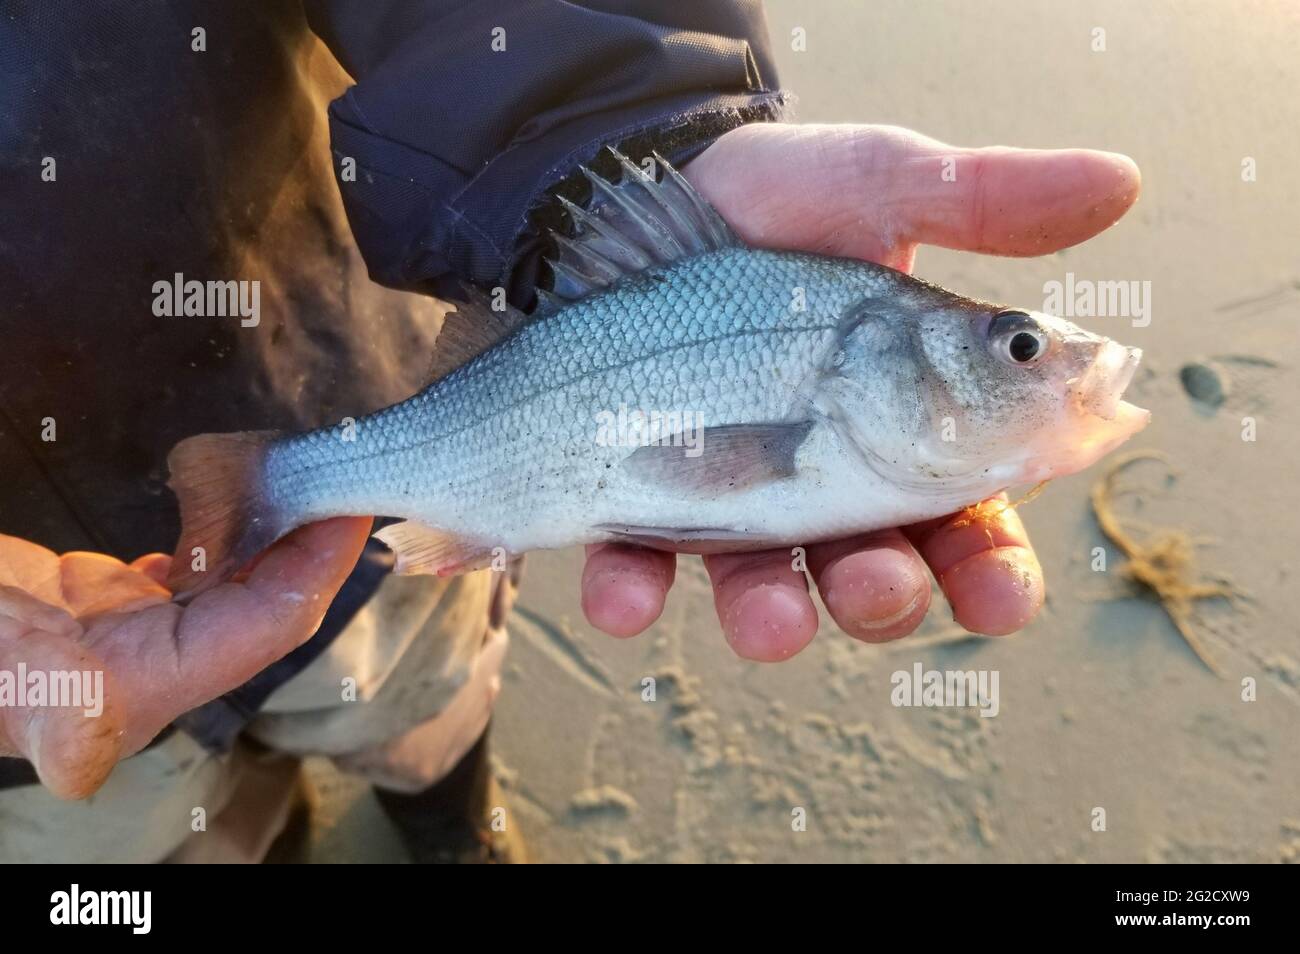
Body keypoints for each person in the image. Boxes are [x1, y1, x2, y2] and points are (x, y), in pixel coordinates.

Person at [0, 1, 1139, 862]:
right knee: (143, 815)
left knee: (417, 694)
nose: (1057, 363)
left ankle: (442, 814)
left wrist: (601, 128)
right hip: (38, 714)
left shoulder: (841, 366)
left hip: (320, 375)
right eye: (1022, 349)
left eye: (1016, 345)